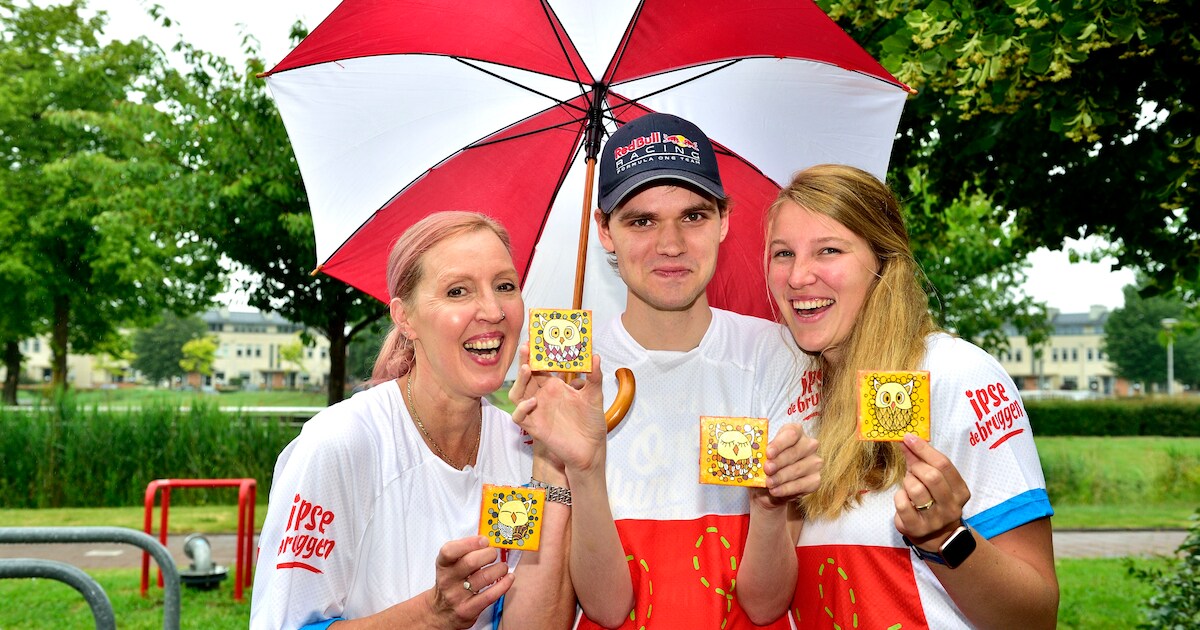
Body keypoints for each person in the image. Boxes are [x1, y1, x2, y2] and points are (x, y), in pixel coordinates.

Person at [516, 112, 823, 629]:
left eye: (694, 216)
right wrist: (582, 473)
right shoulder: (568, 372)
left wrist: (771, 506)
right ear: (604, 231)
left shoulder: (782, 356)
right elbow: (607, 610)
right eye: (641, 220)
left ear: (725, 220)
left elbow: (767, 605)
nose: (671, 245)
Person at [756, 164, 1058, 628]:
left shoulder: (956, 375)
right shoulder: (787, 395)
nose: (798, 276)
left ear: (883, 261)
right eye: (782, 253)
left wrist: (946, 537)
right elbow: (772, 601)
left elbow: (1034, 617)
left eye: (829, 250)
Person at [250, 211, 574, 629]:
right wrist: (432, 615)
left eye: (505, 286)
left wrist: (552, 464)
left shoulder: (520, 449)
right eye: (458, 291)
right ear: (404, 317)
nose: (493, 311)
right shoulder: (340, 444)